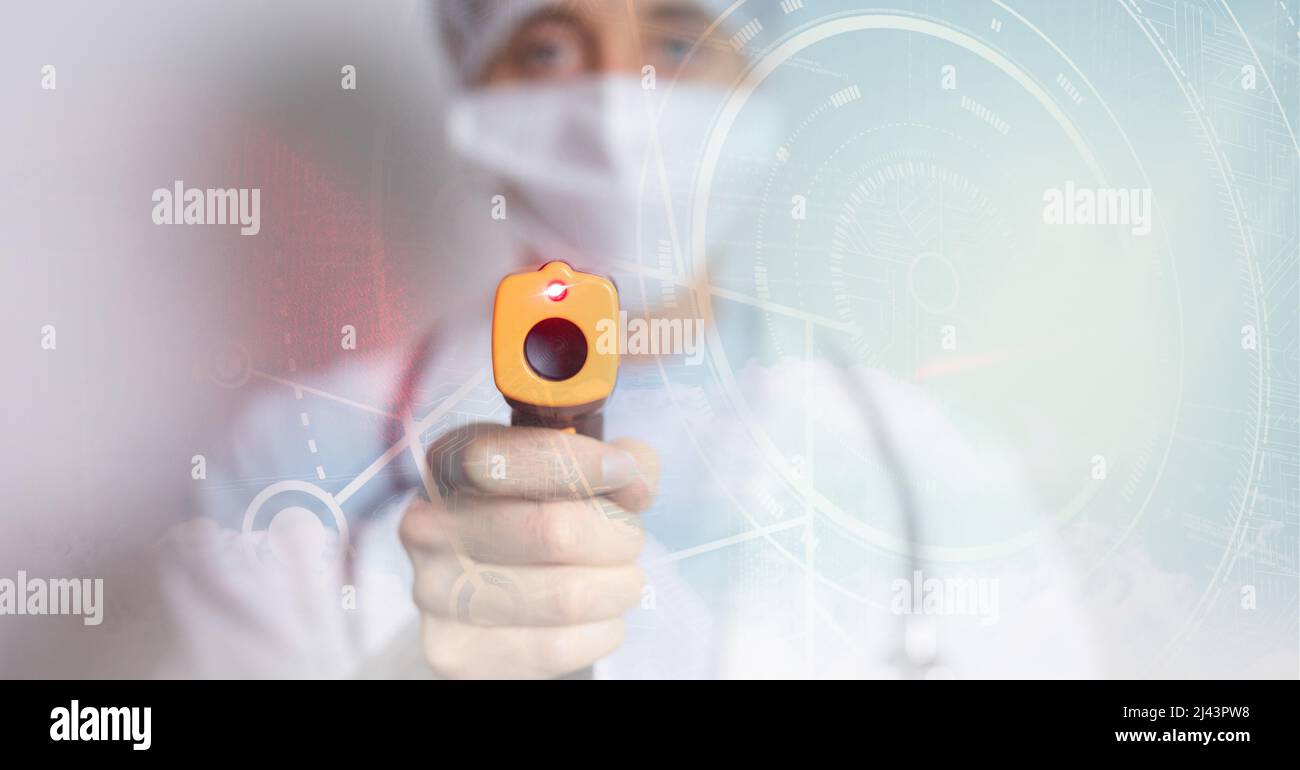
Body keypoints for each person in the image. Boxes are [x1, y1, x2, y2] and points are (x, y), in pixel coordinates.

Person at [159, 0, 1098, 679]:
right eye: (548, 47)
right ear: (473, 101)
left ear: (757, 89)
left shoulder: (932, 467)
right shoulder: (298, 453)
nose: (619, 103)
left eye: (677, 41)